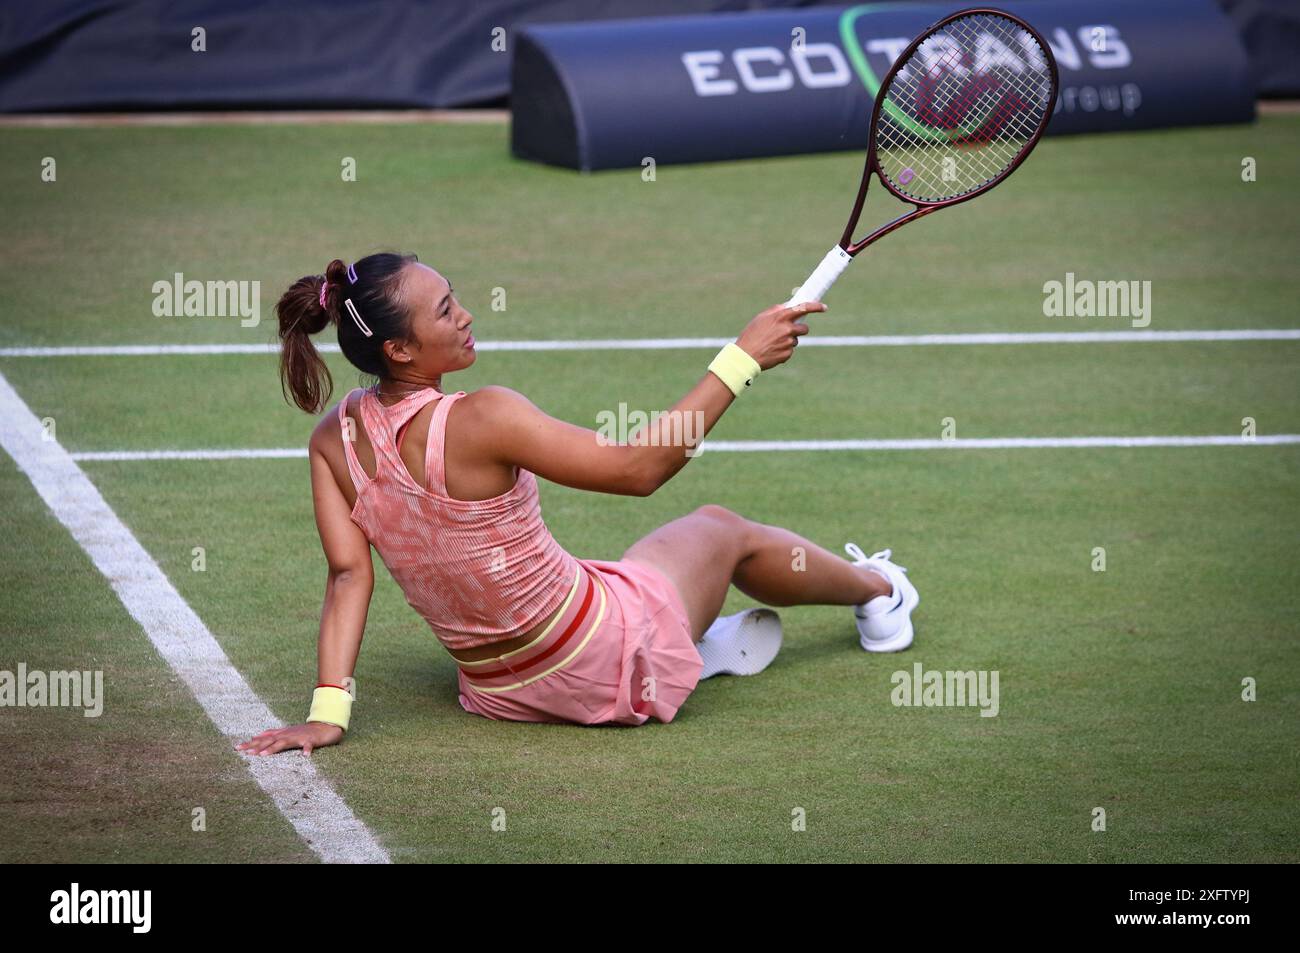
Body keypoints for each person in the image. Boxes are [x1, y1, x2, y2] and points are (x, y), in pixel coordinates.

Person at [237, 252, 917, 757]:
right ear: (399, 348)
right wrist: (742, 358)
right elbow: (640, 467)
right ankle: (882, 594)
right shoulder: (486, 415)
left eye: (457, 298)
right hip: (599, 653)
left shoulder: (332, 440)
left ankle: (692, 646)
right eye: (445, 310)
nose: (466, 314)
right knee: (718, 528)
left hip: (498, 694)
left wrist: (329, 711)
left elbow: (349, 576)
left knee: (622, 570)